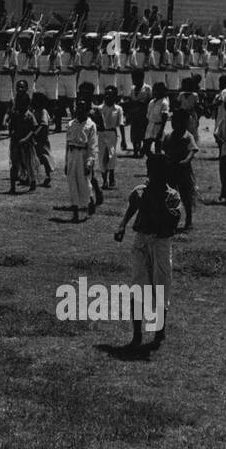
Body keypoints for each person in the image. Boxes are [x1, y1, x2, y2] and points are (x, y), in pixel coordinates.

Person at [113, 153, 182, 353]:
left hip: (161, 242)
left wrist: (159, 202)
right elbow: (132, 207)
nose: (154, 175)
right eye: (152, 171)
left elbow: (173, 221)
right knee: (138, 285)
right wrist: (122, 226)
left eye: (159, 172)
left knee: (161, 284)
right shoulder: (140, 192)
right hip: (142, 240)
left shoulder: (171, 195)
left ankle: (159, 330)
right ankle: (137, 334)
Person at [162, 108, 199, 230]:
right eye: (174, 121)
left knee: (186, 196)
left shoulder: (188, 136)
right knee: (170, 195)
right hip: (171, 170)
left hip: (183, 171)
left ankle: (188, 219)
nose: (175, 124)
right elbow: (164, 150)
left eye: (179, 121)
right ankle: (170, 218)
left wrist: (186, 160)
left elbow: (192, 150)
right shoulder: (168, 136)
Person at [63, 99, 99, 222]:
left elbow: (93, 146)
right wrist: (66, 162)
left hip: (83, 155)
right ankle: (75, 212)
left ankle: (88, 203)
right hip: (72, 154)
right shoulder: (71, 124)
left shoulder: (91, 125)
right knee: (72, 182)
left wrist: (89, 162)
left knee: (84, 182)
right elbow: (67, 145)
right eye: (78, 108)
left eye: (83, 109)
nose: (80, 111)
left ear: (87, 110)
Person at [8, 81, 35, 194]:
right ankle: (12, 186)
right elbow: (11, 126)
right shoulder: (15, 114)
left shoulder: (29, 115)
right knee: (14, 164)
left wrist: (25, 139)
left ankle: (32, 181)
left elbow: (33, 129)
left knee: (28, 164)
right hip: (15, 142)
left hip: (26, 143)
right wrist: (12, 133)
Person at [96, 85, 124, 190]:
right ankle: (104, 180)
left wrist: (124, 140)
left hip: (112, 133)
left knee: (111, 155)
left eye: (111, 94)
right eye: (106, 94)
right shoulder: (99, 108)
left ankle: (111, 175)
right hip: (101, 134)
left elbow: (121, 124)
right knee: (102, 156)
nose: (108, 96)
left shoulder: (118, 109)